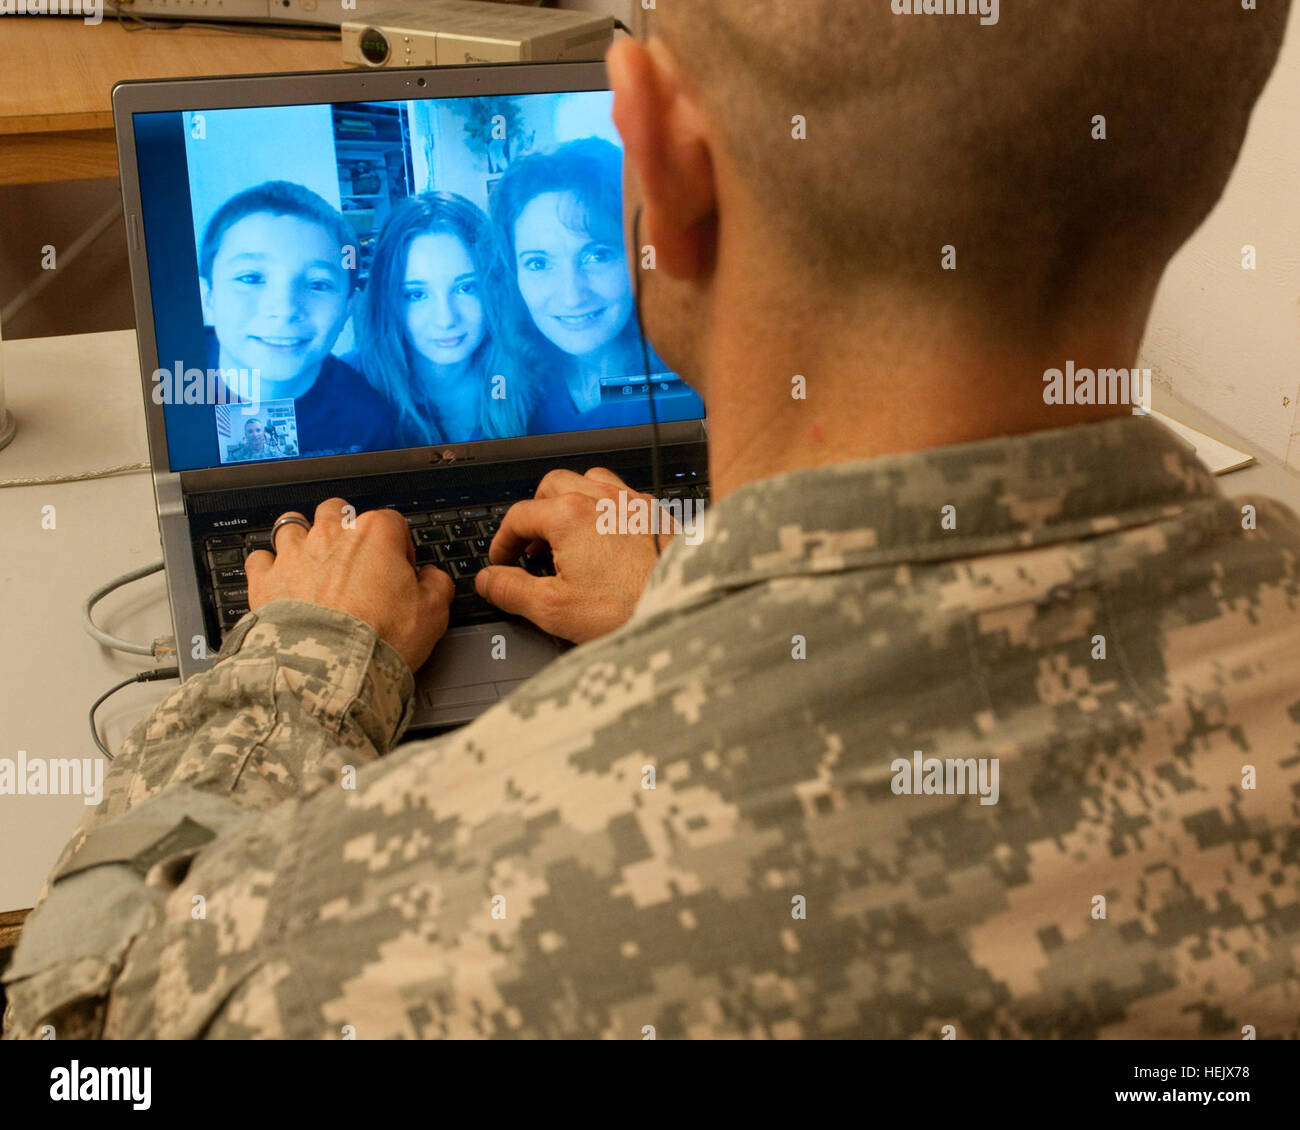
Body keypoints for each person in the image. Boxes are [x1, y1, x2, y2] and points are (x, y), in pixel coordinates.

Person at [4, 0, 1299, 1040]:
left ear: (660, 156)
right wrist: (700, 587)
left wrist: (297, 666)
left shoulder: (377, 921)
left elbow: (79, 1015)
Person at [489, 137, 703, 434]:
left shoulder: (696, 381)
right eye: (538, 263)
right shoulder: (506, 388)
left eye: (597, 255)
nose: (572, 296)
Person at [200, 180, 396, 459]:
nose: (285, 308)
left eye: (318, 284)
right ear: (209, 299)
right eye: (251, 278)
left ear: (347, 309)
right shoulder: (161, 386)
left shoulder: (370, 421)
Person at [355, 193, 536, 446]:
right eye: (416, 294)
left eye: (466, 288)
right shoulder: (347, 386)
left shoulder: (531, 375)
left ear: (494, 288)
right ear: (387, 302)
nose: (446, 319)